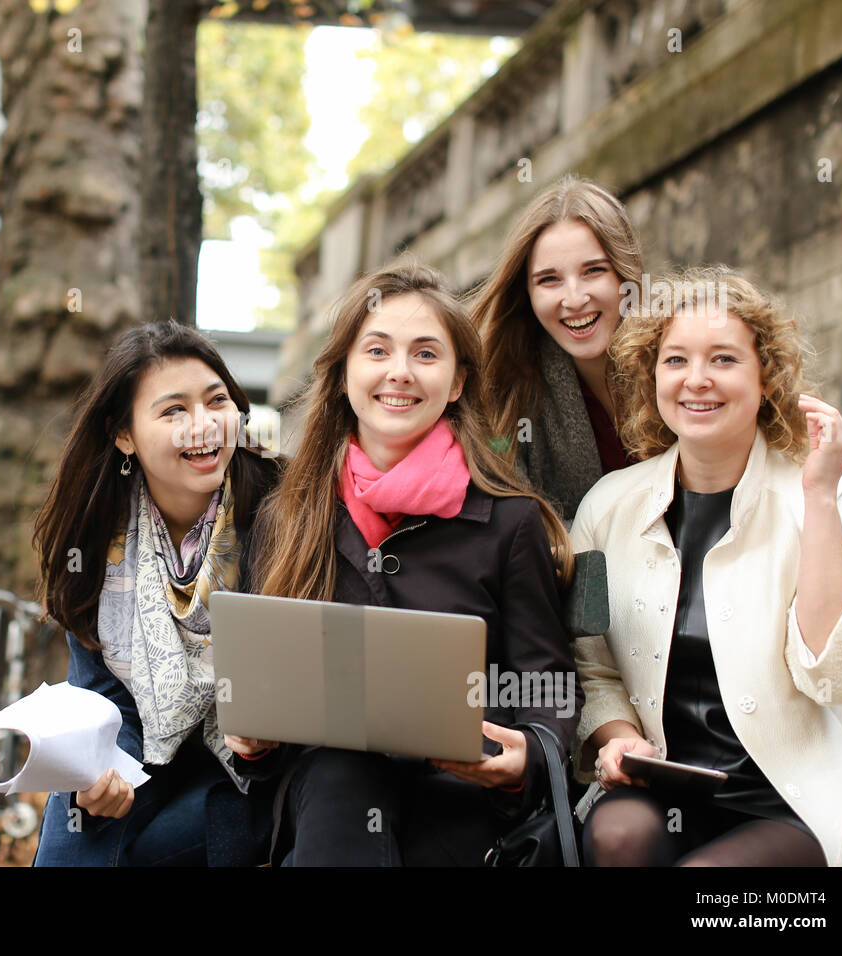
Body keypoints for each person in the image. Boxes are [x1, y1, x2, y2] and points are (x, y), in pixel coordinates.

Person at [226, 259, 581, 866]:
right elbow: (260, 697)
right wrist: (253, 744)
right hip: (328, 799)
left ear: (459, 380)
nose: (399, 373)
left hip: (462, 795)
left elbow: (546, 684)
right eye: (377, 351)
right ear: (342, 374)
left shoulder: (509, 522)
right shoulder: (287, 517)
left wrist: (527, 753)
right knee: (340, 778)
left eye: (425, 353)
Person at [571, 267, 842, 866]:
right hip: (659, 783)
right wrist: (618, 738)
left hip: (783, 798)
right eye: (676, 360)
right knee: (617, 838)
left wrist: (818, 494)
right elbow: (593, 668)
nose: (697, 380)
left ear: (767, 378)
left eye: (725, 360)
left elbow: (835, 678)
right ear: (653, 375)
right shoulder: (605, 506)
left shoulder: (830, 498)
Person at [31, 320, 283, 866]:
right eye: (173, 411)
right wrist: (96, 775)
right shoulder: (97, 537)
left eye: (216, 402)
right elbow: (102, 700)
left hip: (254, 769)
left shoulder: (282, 512)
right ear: (124, 434)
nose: (203, 426)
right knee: (79, 816)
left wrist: (271, 728)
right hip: (142, 755)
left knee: (148, 854)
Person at [471, 175, 644, 520]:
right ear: (528, 293)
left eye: (594, 271)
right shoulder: (507, 395)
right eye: (549, 280)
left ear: (625, 276)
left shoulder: (683, 364)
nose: (574, 298)